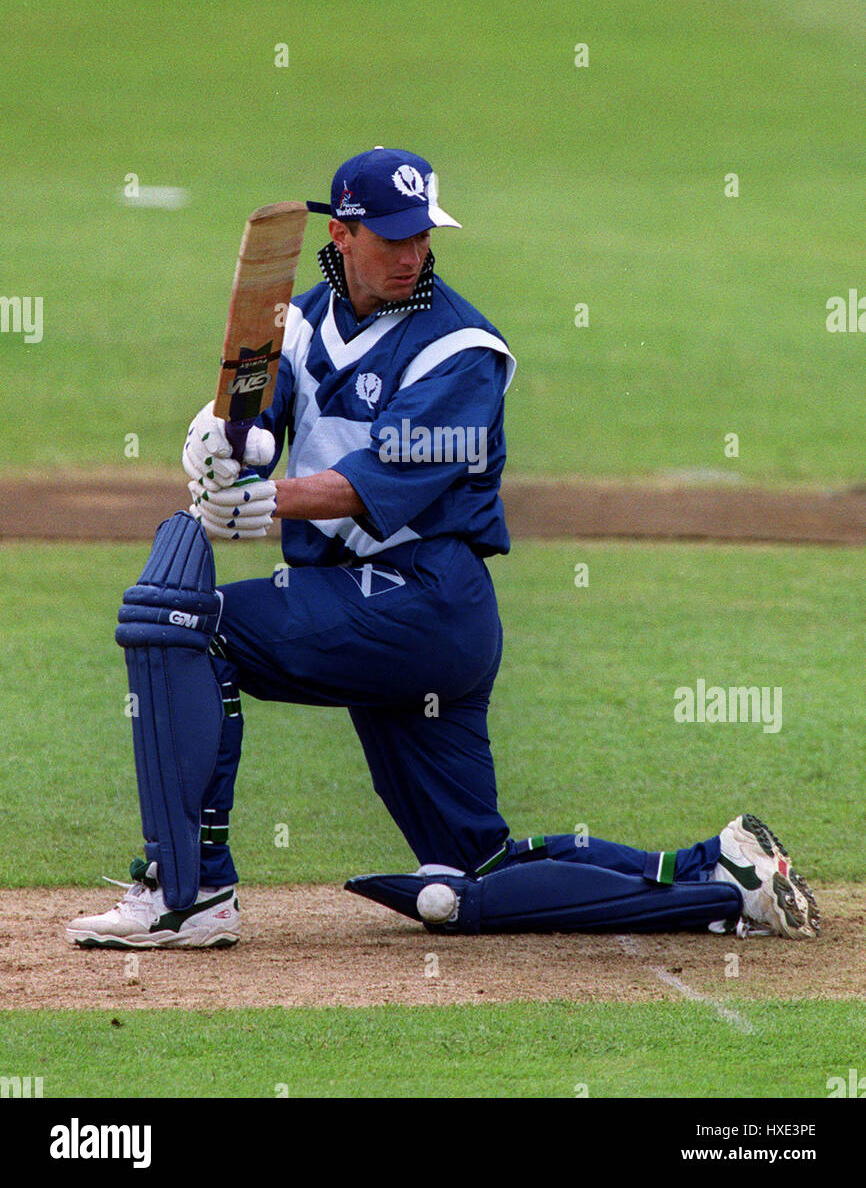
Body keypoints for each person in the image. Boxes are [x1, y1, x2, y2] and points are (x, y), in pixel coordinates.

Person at [67, 148, 819, 948]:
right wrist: (222, 439)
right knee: (473, 874)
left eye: (423, 235)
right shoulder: (301, 323)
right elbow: (259, 411)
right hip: (381, 614)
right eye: (394, 238)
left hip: (424, 604)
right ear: (345, 234)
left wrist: (263, 497)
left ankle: (189, 889)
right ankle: (722, 878)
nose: (413, 253)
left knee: (181, 621)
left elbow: (374, 479)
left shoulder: (464, 353)